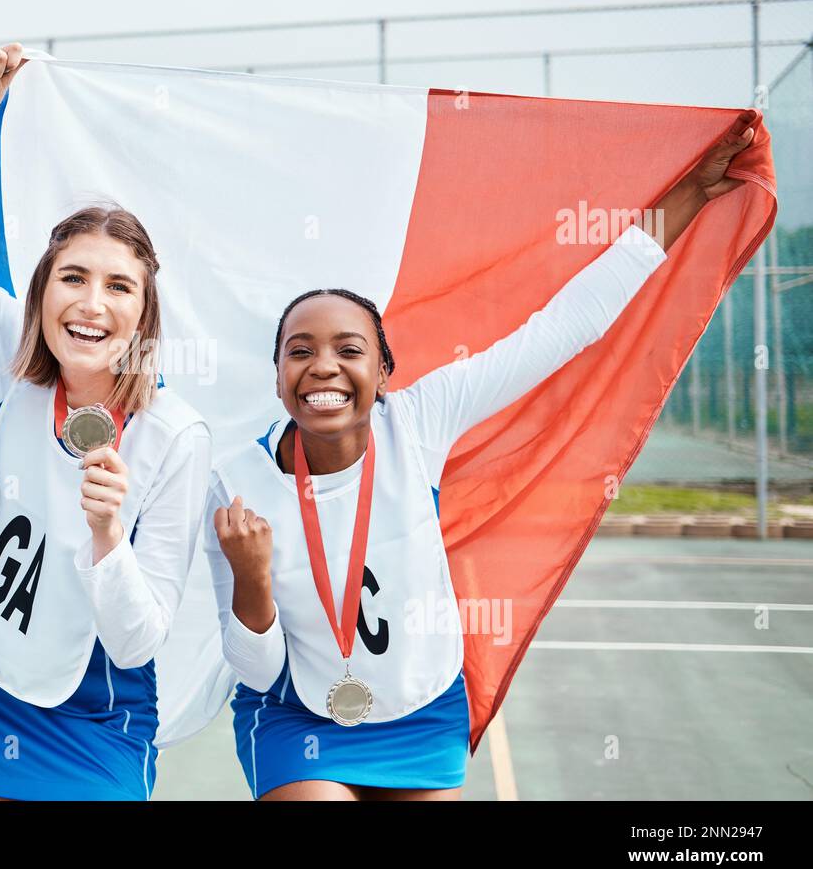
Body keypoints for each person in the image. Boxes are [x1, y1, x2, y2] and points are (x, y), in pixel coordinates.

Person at [206, 110, 758, 800]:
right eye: (300, 350)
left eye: (349, 350)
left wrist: (688, 196)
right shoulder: (235, 484)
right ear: (277, 373)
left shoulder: (419, 421)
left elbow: (566, 327)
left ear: (384, 373)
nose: (323, 366)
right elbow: (255, 669)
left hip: (423, 706)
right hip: (301, 715)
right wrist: (252, 579)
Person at [0, 46, 212, 800]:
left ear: (143, 312)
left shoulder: (175, 436)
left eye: (119, 286)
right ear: (41, 291)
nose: (93, 303)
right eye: (74, 278)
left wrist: (107, 538)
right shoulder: (11, 360)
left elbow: (138, 639)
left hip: (97, 709)